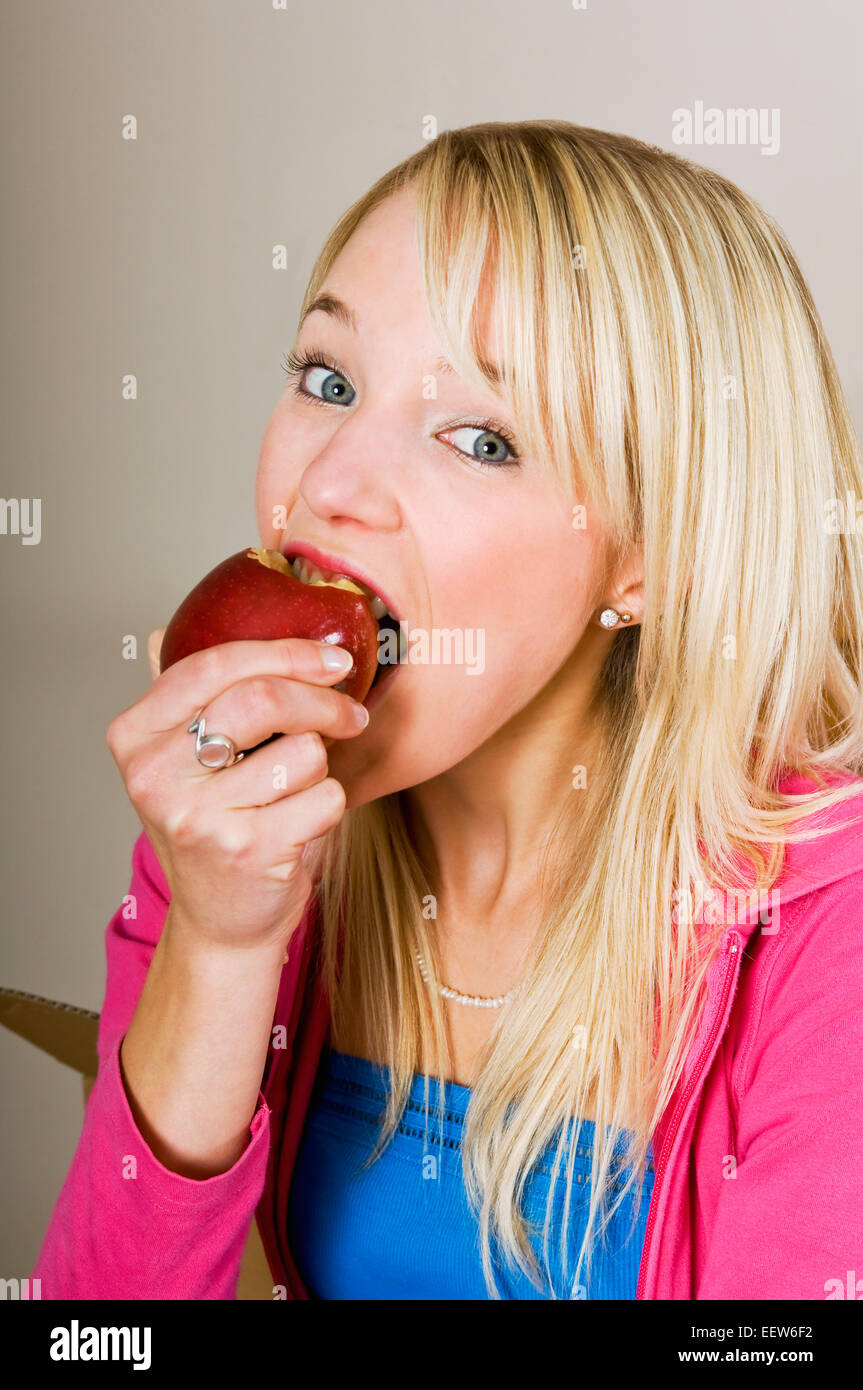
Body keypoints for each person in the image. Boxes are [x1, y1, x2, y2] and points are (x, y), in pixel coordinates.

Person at [34, 120, 863, 1300]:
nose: (324, 485)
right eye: (328, 381)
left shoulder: (829, 932)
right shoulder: (242, 843)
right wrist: (219, 947)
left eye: (479, 438)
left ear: (651, 554)